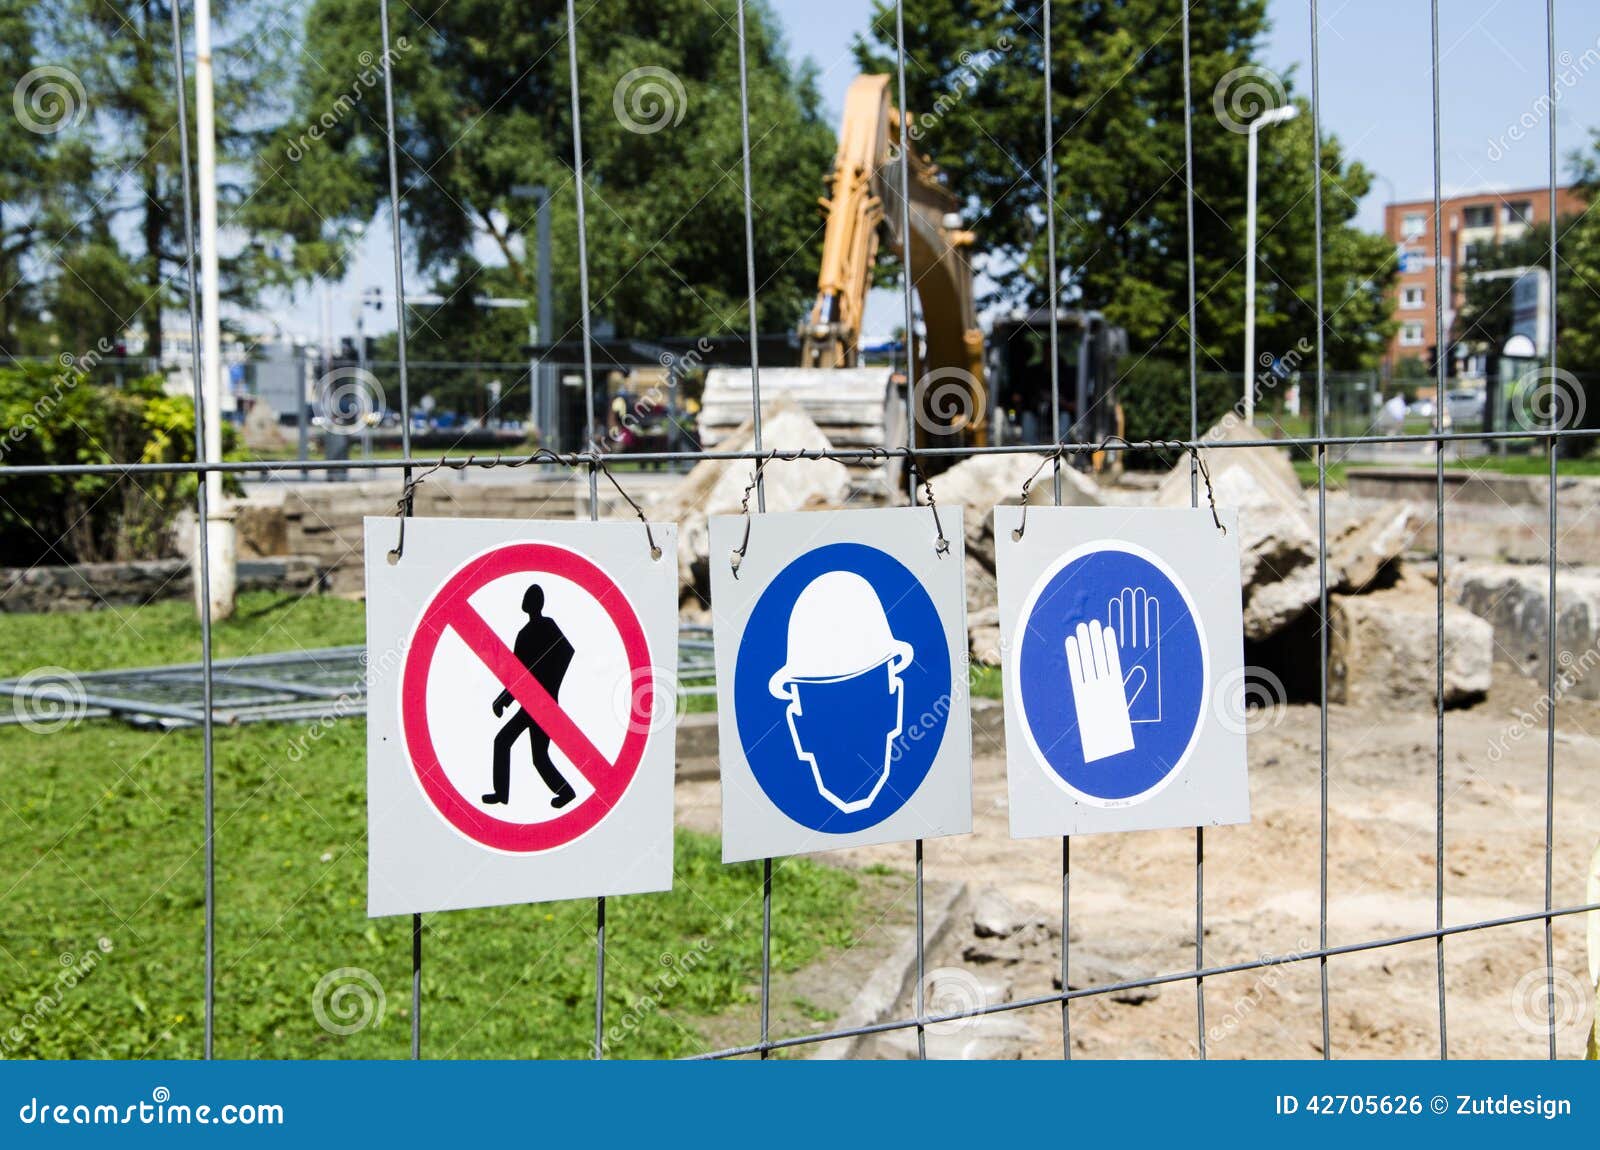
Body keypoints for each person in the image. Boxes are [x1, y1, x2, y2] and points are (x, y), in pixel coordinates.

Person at [484, 583, 576, 809]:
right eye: (526, 597)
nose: (527, 601)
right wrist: (503, 700)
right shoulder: (523, 635)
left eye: (531, 598)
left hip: (544, 704)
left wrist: (551, 685)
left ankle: (566, 792)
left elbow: (566, 652)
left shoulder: (548, 625)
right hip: (528, 704)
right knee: (506, 743)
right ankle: (501, 793)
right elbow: (517, 674)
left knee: (538, 757)